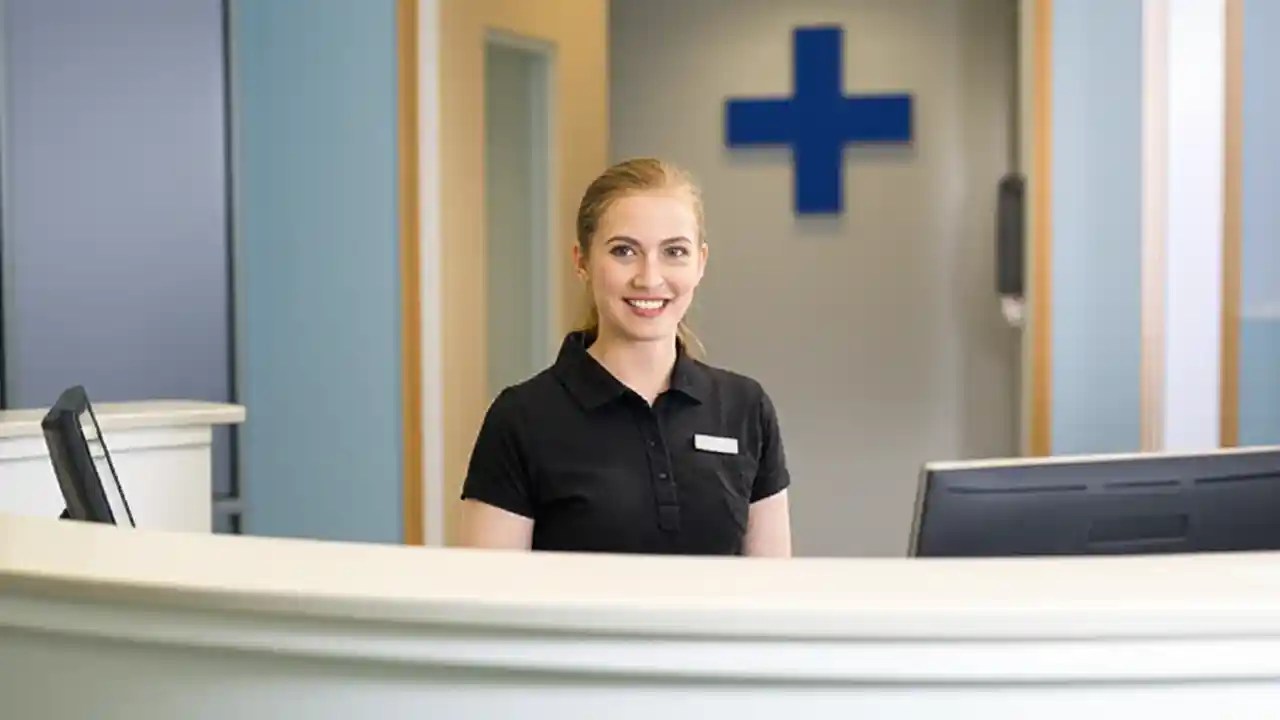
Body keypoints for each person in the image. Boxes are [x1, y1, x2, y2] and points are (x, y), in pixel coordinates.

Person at [459, 157, 792, 556]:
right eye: (624, 251)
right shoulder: (521, 419)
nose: (649, 277)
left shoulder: (745, 408)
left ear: (701, 262)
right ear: (581, 261)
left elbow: (771, 595)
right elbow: (492, 601)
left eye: (674, 252)